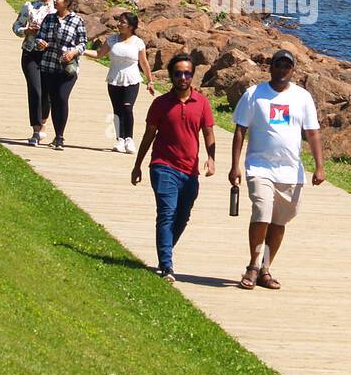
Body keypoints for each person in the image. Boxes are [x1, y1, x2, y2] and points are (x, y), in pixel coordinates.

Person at [230, 49, 324, 290]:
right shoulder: (254, 94)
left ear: (293, 71)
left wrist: (319, 167)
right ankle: (252, 266)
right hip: (259, 167)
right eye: (278, 65)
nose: (282, 70)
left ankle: (265, 269)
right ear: (270, 67)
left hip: (291, 171)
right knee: (261, 212)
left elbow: (312, 133)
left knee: (279, 222)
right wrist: (235, 165)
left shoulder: (302, 97)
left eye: (287, 66)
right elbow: (240, 130)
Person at [131, 52, 215, 282]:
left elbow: (208, 132)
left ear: (192, 76)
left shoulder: (203, 103)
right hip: (163, 166)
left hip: (190, 171)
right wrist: (137, 165)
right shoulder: (161, 104)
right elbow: (149, 135)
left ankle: (164, 252)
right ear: (171, 76)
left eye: (187, 73)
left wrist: (211, 158)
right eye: (178, 73)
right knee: (166, 213)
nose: (183, 78)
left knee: (182, 216)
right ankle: (167, 266)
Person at [35, 0, 87, 150]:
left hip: (67, 68)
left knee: (62, 98)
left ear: (67, 2)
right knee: (52, 99)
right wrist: (40, 43)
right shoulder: (48, 19)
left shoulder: (77, 20)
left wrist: (73, 52)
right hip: (49, 65)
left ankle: (60, 136)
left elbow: (83, 43)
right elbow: (40, 37)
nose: (54, 1)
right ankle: (56, 137)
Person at [100, 11, 155, 153]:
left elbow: (144, 62)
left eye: (122, 22)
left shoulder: (138, 42)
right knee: (117, 111)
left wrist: (150, 81)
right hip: (114, 79)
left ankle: (129, 139)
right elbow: (99, 54)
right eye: (119, 21)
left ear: (131, 26)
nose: (119, 24)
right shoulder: (112, 40)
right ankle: (120, 139)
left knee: (127, 108)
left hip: (131, 80)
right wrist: (79, 51)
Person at [13, 0, 56, 145]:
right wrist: (26, 30)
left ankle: (44, 122)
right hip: (30, 53)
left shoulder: (57, 8)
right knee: (35, 90)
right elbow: (16, 27)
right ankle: (36, 129)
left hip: (50, 55)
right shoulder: (29, 6)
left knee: (47, 92)